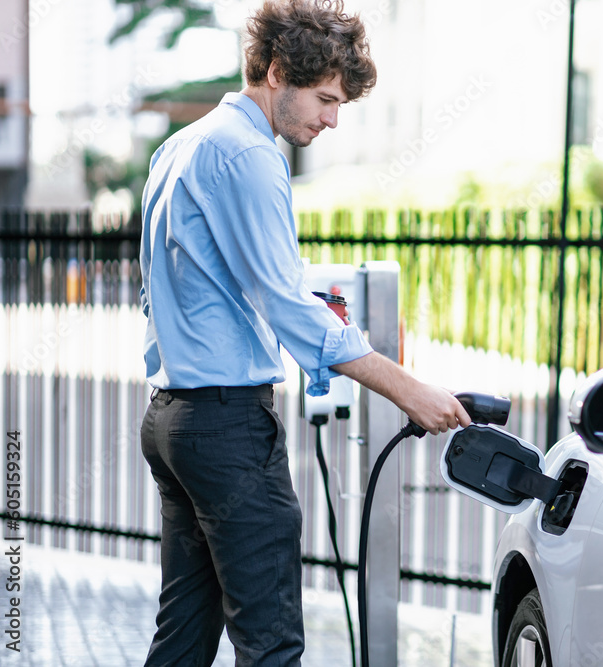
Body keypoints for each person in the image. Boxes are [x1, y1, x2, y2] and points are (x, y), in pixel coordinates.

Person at [137, 1, 472, 664]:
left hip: (173, 421)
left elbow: (208, 282)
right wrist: (409, 390)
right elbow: (288, 304)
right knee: (272, 642)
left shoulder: (181, 146)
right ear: (277, 70)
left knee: (182, 636)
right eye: (324, 99)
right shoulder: (249, 156)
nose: (331, 119)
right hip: (228, 427)